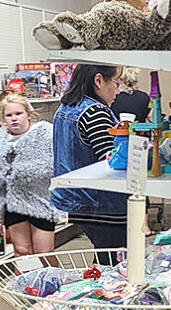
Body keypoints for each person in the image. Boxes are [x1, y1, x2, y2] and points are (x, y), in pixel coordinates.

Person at [51, 63, 126, 252]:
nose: (118, 91)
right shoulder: (94, 113)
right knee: (114, 263)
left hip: (76, 199)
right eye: (116, 83)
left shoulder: (65, 108)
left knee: (104, 256)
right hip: (99, 203)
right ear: (98, 80)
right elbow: (112, 161)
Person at [0, 95, 59, 256]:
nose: (14, 118)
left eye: (18, 113)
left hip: (40, 200)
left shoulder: (44, 135)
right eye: (9, 115)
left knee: (44, 252)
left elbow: (49, 165)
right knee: (22, 251)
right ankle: (23, 282)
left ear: (28, 114)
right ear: (3, 118)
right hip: (12, 202)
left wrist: (17, 171)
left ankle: (52, 281)